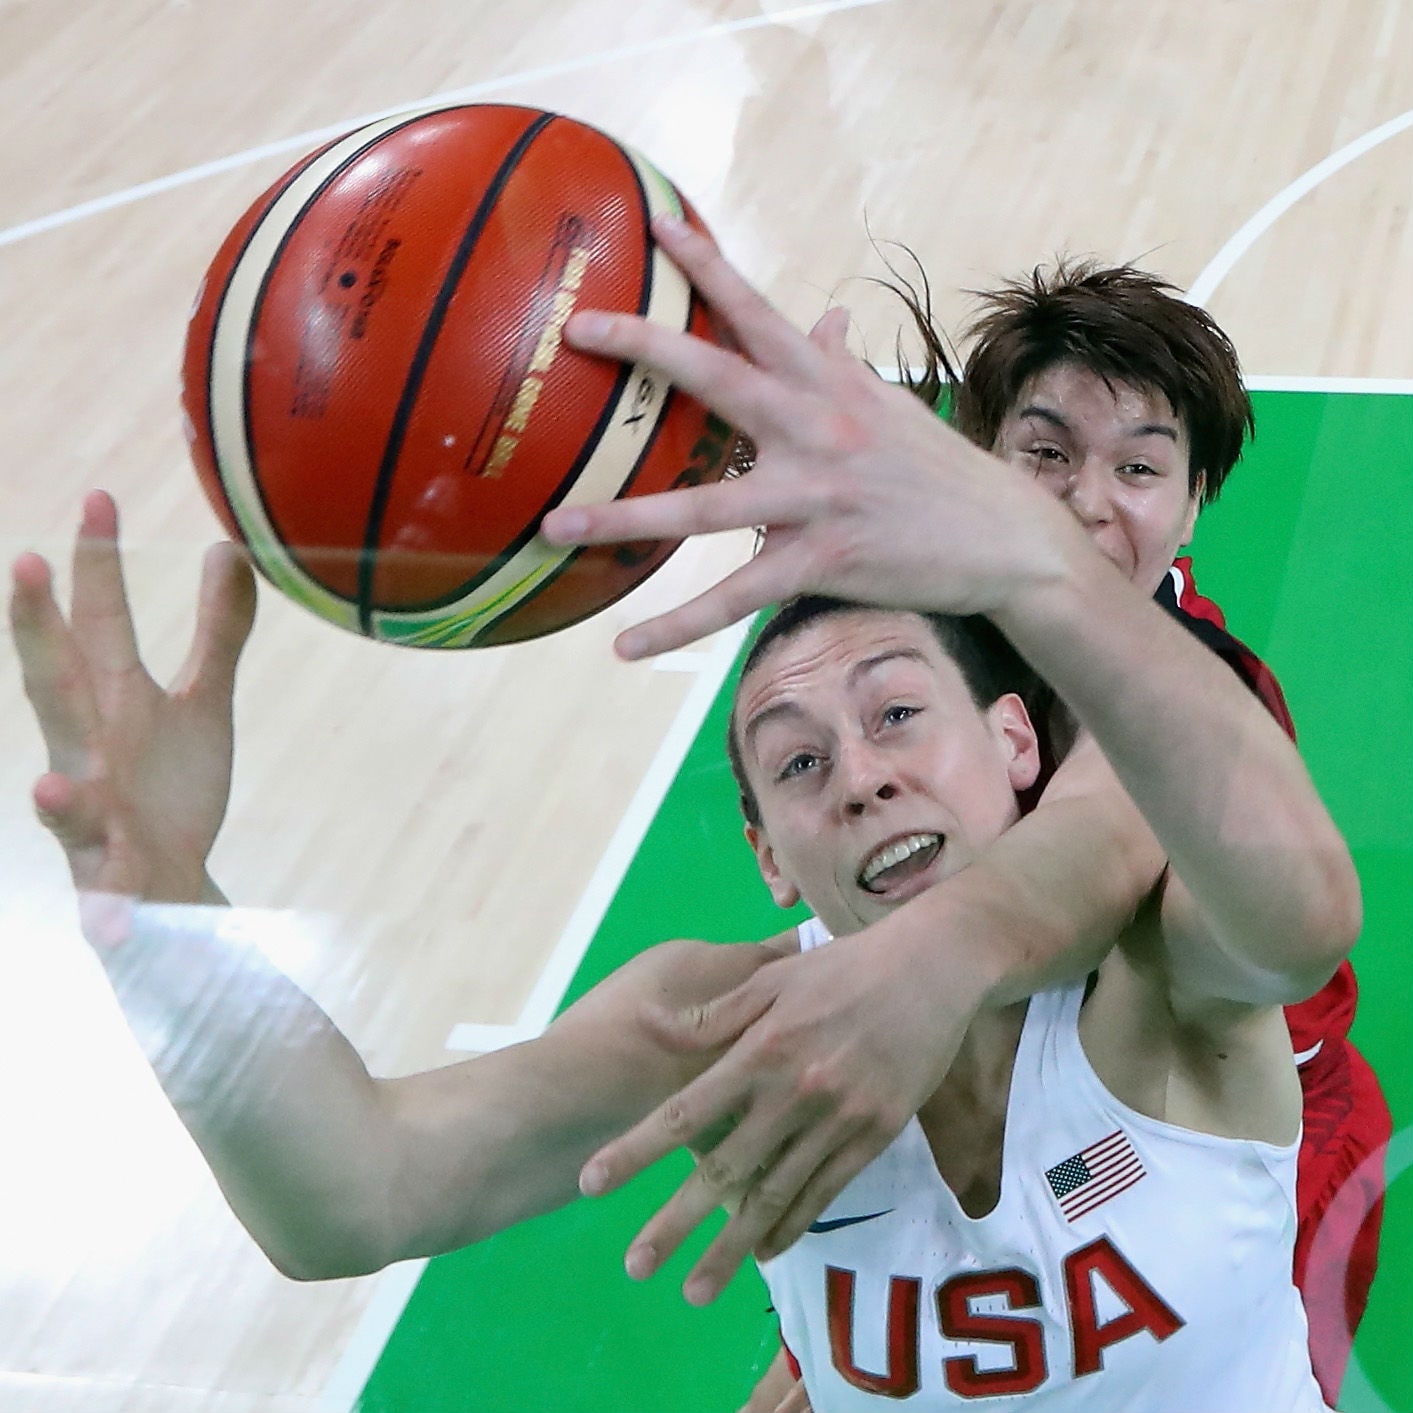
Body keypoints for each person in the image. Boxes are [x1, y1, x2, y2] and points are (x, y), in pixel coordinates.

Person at [13, 479, 1352, 1409]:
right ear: (770, 853)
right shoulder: (723, 1016)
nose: (862, 777)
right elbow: (350, 1194)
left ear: (1018, 744)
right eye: (799, 761)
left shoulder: (1153, 985)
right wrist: (164, 903)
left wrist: (1035, 556)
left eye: (897, 714)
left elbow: (1295, 907)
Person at [538, 222, 1390, 1405]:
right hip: (1032, 1105)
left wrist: (923, 971)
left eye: (1140, 470)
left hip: (1237, 1115)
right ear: (975, 466)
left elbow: (1091, 855)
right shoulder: (936, 658)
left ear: (1195, 506)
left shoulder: (1193, 692)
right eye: (1045, 456)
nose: (1088, 505)